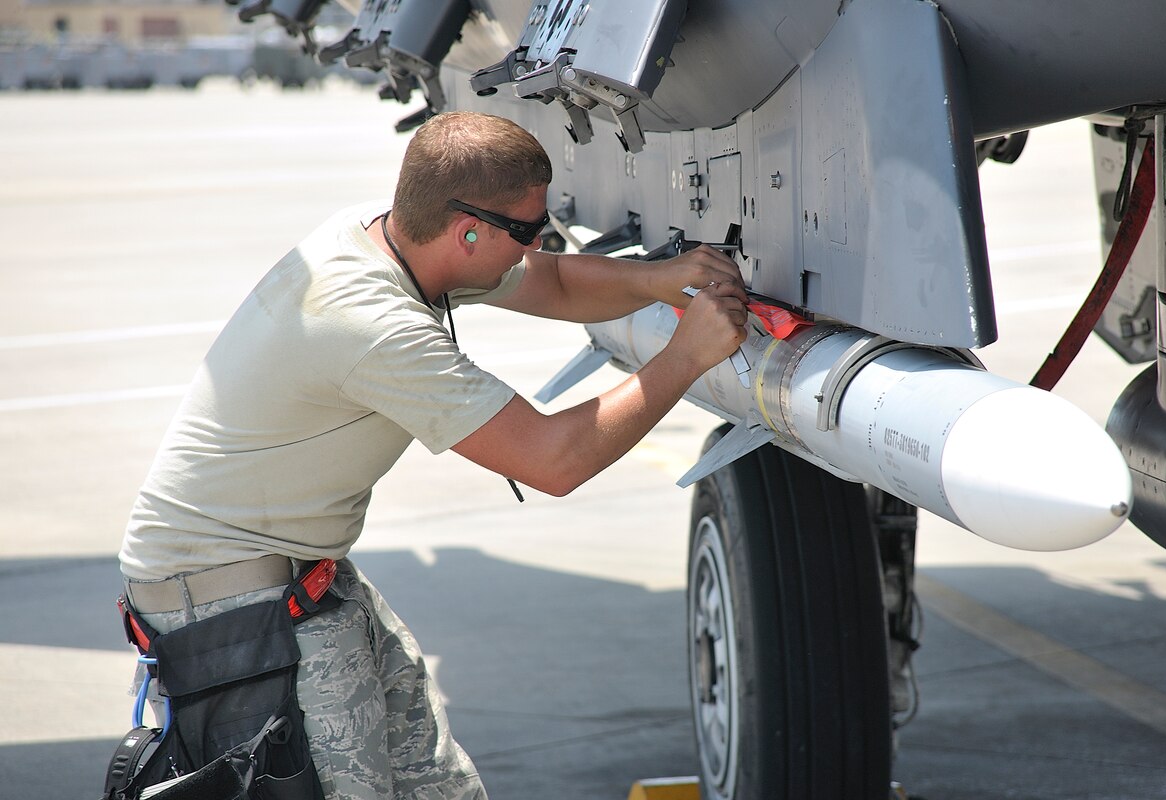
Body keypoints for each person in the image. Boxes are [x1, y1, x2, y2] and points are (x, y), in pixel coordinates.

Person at [119, 110, 748, 799]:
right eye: (527, 230)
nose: (535, 244)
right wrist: (685, 357)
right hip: (232, 608)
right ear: (467, 230)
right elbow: (554, 459)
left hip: (299, 576)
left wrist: (660, 279)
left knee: (441, 789)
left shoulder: (389, 235)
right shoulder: (371, 324)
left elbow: (553, 282)